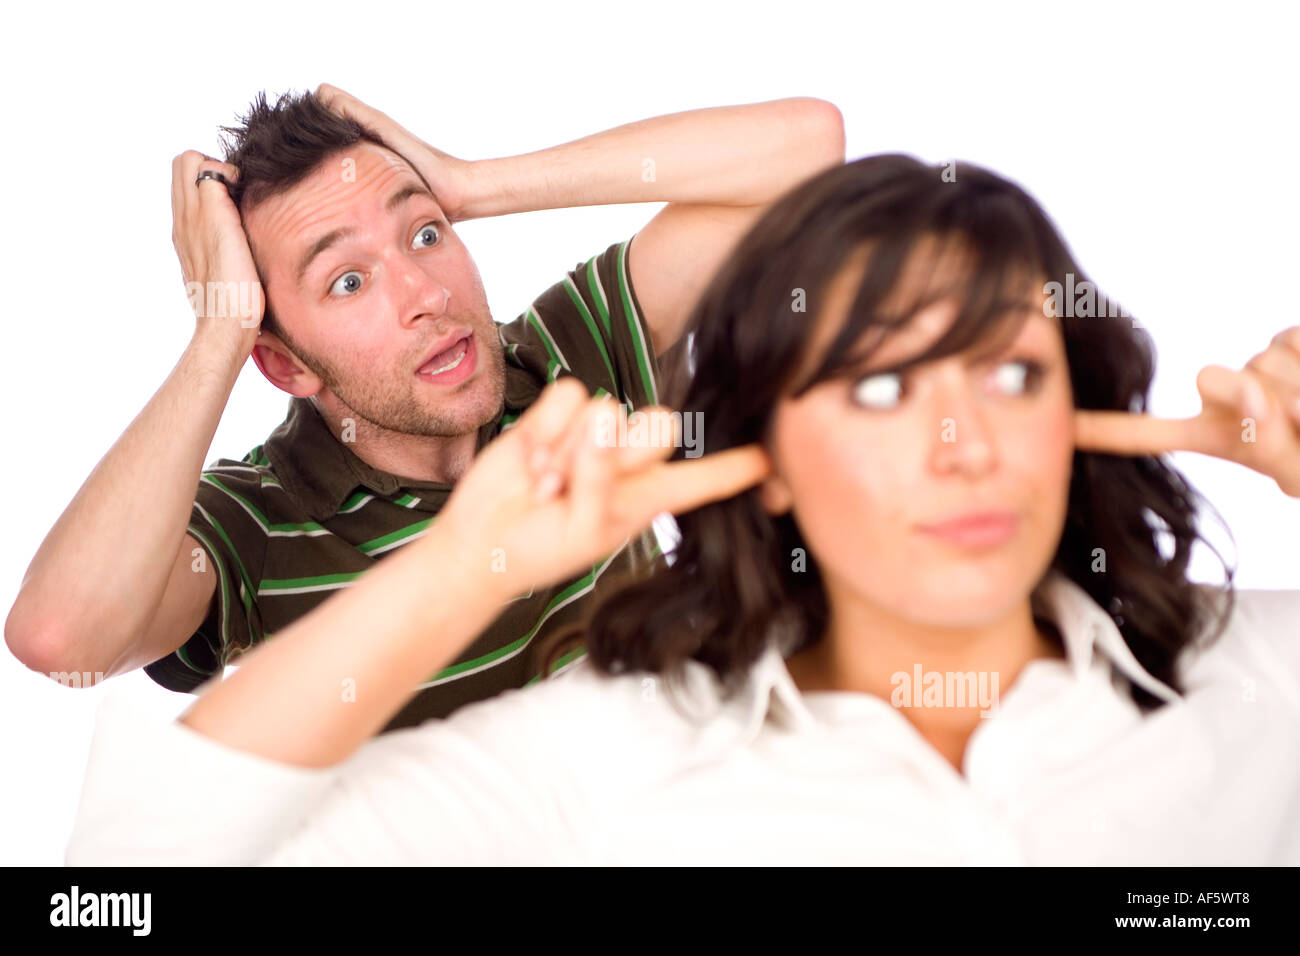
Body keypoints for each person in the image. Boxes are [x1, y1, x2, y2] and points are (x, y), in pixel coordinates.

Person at [66, 155, 1300, 865]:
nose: (960, 441)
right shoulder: (601, 752)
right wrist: (465, 566)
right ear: (768, 445)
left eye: (1011, 371)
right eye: (877, 384)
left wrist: (476, 179)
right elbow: (120, 885)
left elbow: (804, 141)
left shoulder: (1258, 682)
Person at [5, 86, 845, 728]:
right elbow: (61, 641)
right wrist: (219, 332)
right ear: (284, 365)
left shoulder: (564, 359)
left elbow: (808, 151)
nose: (423, 294)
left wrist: (468, 184)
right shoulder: (259, 526)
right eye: (347, 280)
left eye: (426, 235)